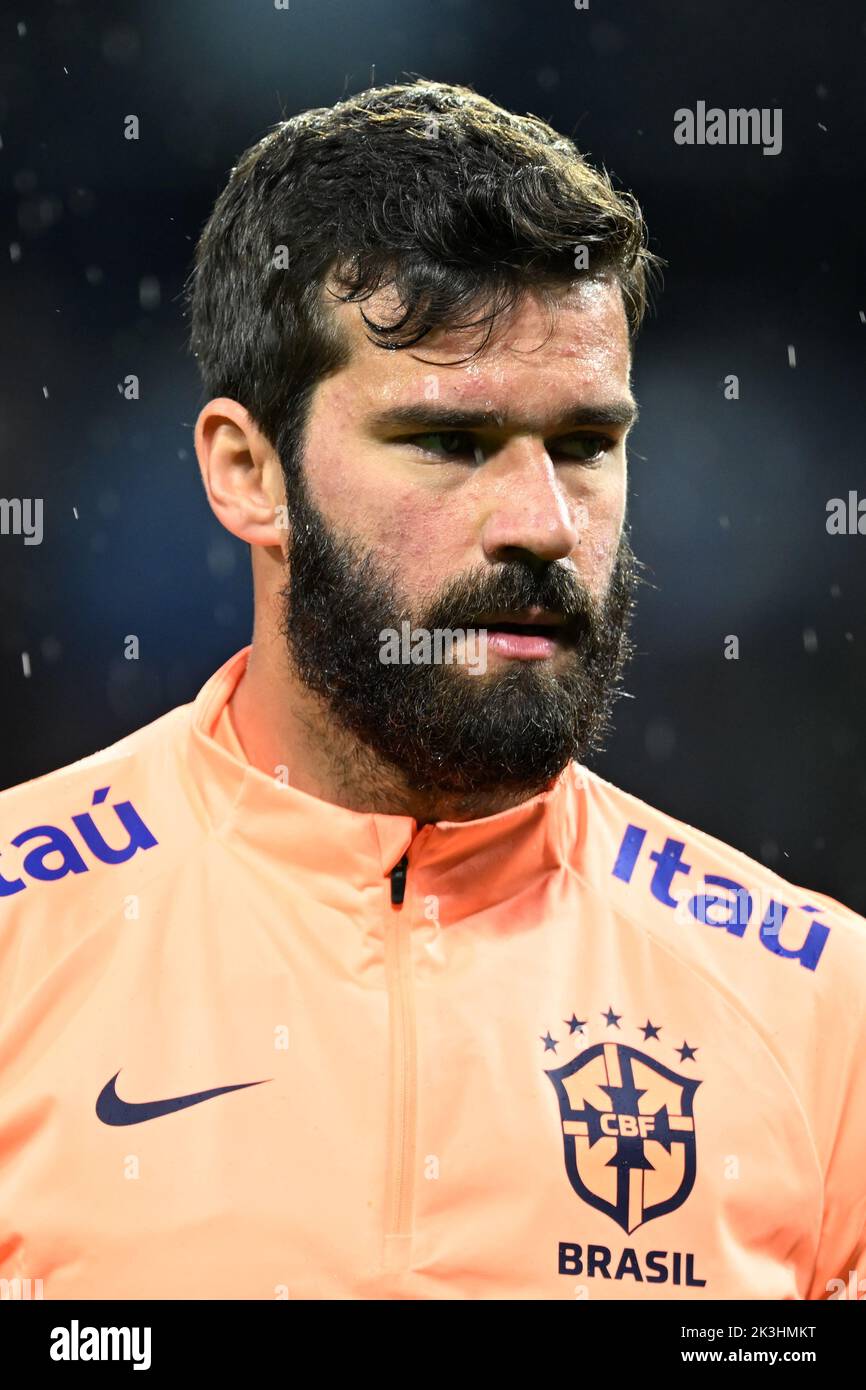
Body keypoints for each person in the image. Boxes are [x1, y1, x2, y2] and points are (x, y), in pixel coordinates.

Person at [0, 79, 863, 1302]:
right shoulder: (20, 937)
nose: (542, 526)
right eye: (448, 444)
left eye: (582, 445)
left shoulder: (820, 1011)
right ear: (250, 474)